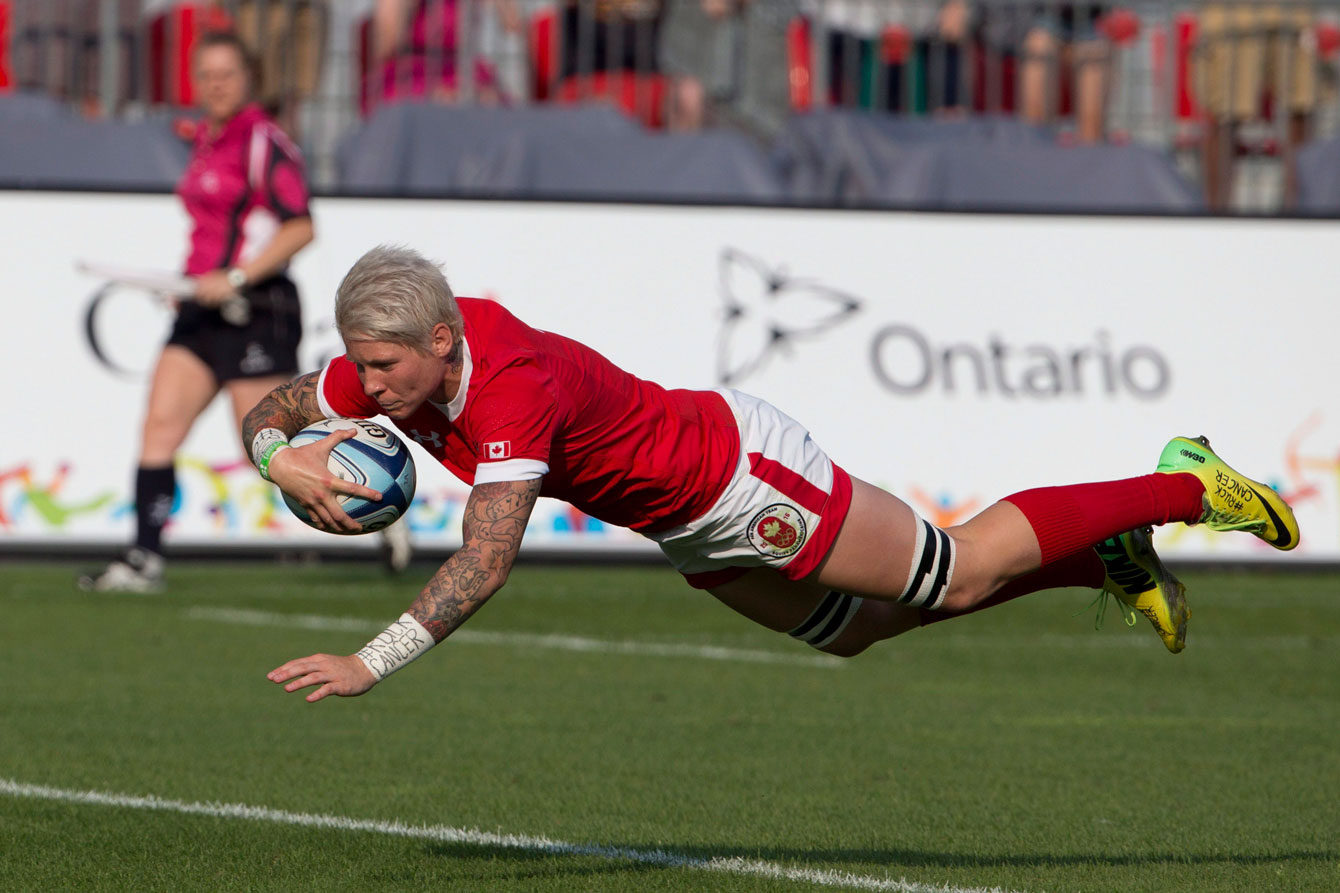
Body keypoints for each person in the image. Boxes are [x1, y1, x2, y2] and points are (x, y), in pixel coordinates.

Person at [247, 246, 1299, 703]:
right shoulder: (383, 363)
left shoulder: (512, 389)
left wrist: (367, 660)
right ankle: (1092, 560)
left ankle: (1185, 483)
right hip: (688, 526)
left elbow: (483, 564)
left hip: (741, 480)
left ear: (441, 338)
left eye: (384, 368)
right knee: (853, 632)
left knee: (959, 567)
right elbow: (273, 404)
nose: (368, 387)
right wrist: (284, 457)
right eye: (361, 367)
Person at [78, 32, 315, 593]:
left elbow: (301, 226)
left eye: (226, 74)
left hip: (254, 307)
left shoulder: (263, 140)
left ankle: (367, 502)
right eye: (205, 75)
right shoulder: (206, 139)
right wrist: (193, 284)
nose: (215, 85)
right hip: (200, 309)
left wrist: (233, 277)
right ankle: (144, 559)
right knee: (160, 426)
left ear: (249, 78)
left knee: (263, 441)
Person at [1195, 3, 1319, 211]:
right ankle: (1215, 218)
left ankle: (1301, 213)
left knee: (1300, 112)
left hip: (1295, 15)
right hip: (1231, 16)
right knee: (1222, 118)